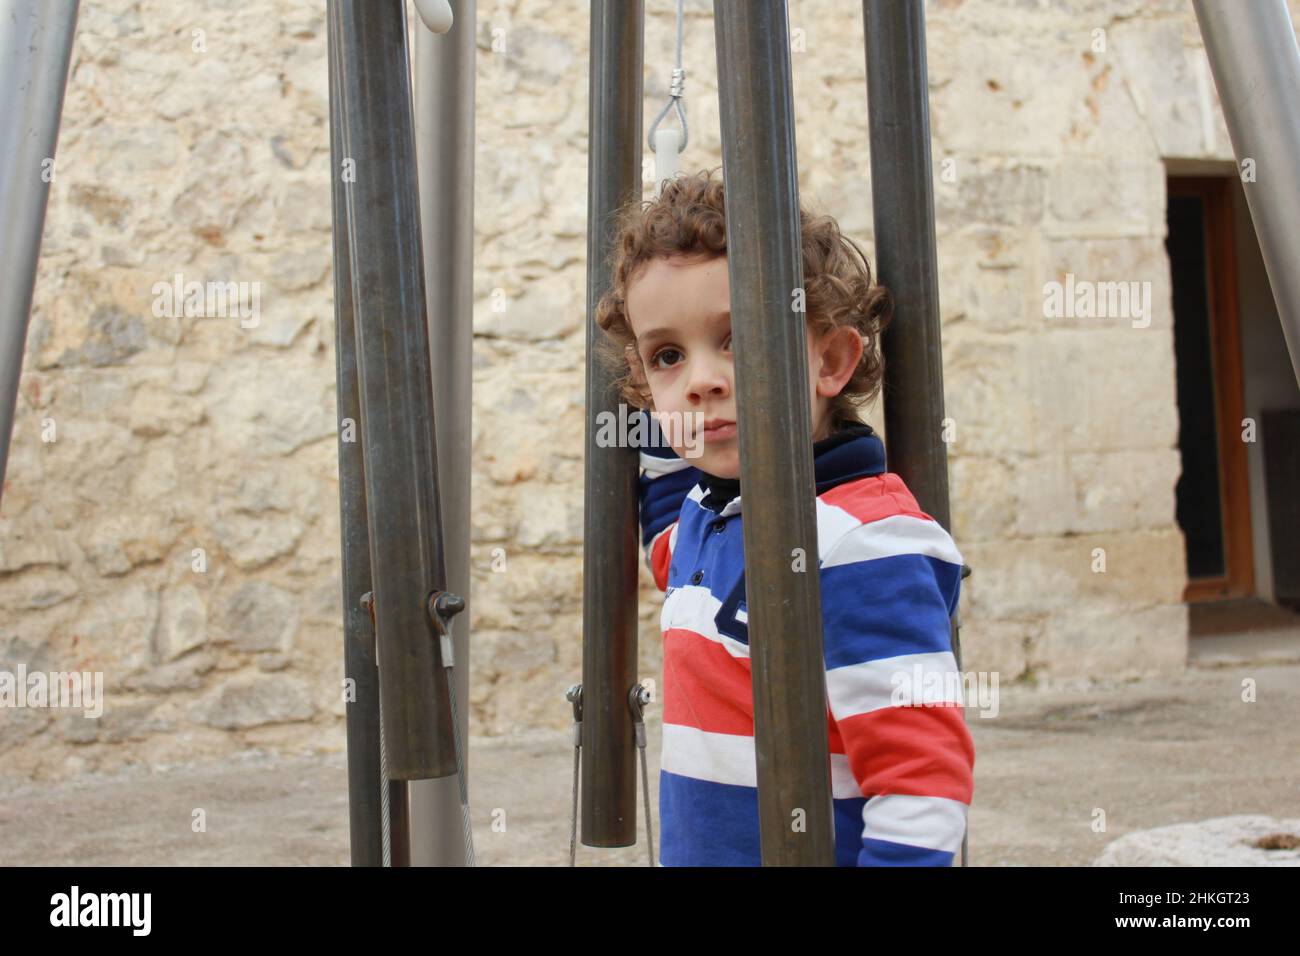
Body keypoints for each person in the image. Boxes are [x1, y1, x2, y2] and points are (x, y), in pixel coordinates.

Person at [593, 167, 975, 867]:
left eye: (737, 338)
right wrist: (664, 413)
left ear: (830, 359)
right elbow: (664, 523)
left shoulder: (863, 543)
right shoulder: (706, 522)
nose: (702, 379)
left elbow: (922, 780)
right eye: (668, 355)